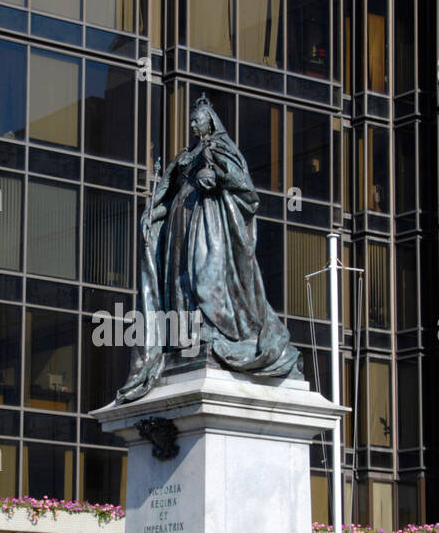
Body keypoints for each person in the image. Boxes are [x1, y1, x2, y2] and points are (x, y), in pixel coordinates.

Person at [116, 94, 302, 401]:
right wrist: (164, 195)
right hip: (181, 225)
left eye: (197, 119)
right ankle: (188, 333)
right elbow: (167, 190)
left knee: (205, 275)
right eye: (191, 120)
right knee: (180, 279)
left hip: (210, 223)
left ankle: (215, 329)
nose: (192, 124)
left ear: (210, 120)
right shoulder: (188, 153)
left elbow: (245, 190)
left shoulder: (222, 147)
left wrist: (215, 178)